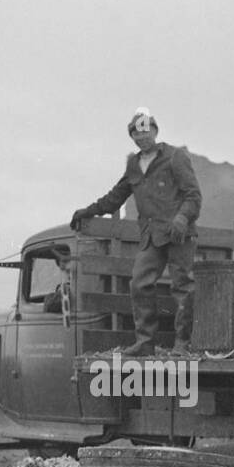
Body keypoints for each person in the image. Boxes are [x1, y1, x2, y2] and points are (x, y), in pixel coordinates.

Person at [70, 108, 202, 356]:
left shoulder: (175, 157)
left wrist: (182, 219)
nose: (143, 137)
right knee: (139, 283)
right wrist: (88, 211)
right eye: (137, 133)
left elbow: (194, 195)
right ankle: (145, 343)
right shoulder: (133, 164)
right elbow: (115, 197)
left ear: (155, 131)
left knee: (182, 286)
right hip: (151, 235)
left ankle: (183, 344)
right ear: (132, 137)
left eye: (146, 131)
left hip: (178, 235)